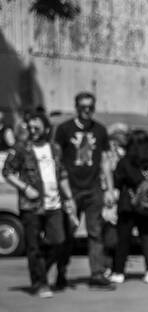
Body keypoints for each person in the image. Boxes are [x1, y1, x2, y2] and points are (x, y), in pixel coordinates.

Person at [2, 111, 76, 297]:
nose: (33, 131)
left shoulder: (55, 148)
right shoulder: (21, 149)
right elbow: (7, 171)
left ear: (46, 128)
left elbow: (63, 175)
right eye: (30, 127)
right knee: (33, 246)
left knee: (59, 242)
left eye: (37, 127)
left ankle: (42, 269)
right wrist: (25, 188)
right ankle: (40, 283)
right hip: (31, 205)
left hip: (55, 204)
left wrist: (69, 199)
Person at [53, 91, 114, 289]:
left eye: (90, 107)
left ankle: (97, 274)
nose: (87, 111)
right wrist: (60, 187)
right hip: (71, 188)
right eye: (83, 107)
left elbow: (105, 161)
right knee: (67, 233)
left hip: (94, 188)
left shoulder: (100, 130)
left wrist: (109, 189)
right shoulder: (64, 129)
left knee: (96, 233)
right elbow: (57, 158)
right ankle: (61, 272)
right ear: (76, 108)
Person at [109, 129, 148, 284]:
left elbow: (118, 180)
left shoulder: (125, 161)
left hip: (128, 204)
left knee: (123, 239)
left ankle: (119, 272)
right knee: (147, 238)